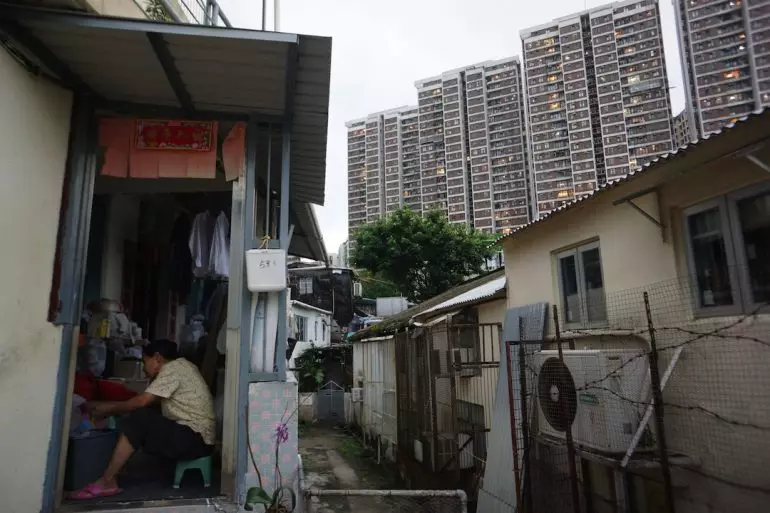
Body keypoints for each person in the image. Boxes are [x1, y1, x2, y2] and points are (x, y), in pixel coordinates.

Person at [71, 339, 216, 500]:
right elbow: (148, 402)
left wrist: (108, 410)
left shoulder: (173, 369)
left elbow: (142, 401)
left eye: (145, 362)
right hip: (197, 439)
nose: (144, 369)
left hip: (194, 440)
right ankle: (118, 470)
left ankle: (107, 480)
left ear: (157, 358)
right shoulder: (184, 367)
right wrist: (109, 407)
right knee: (142, 414)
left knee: (140, 417)